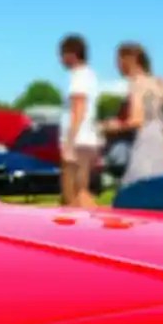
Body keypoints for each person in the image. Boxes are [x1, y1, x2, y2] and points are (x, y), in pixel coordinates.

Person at [102, 42, 163, 186]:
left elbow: (136, 120)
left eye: (118, 60)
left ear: (128, 60)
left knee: (137, 186)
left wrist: (110, 126)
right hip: (160, 138)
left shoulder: (137, 84)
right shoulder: (160, 82)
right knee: (157, 185)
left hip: (143, 140)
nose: (117, 65)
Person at [57, 34, 102, 207]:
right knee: (80, 191)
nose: (60, 59)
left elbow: (78, 108)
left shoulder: (79, 76)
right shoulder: (90, 74)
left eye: (62, 54)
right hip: (87, 140)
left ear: (72, 54)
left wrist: (69, 142)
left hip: (78, 141)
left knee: (73, 194)